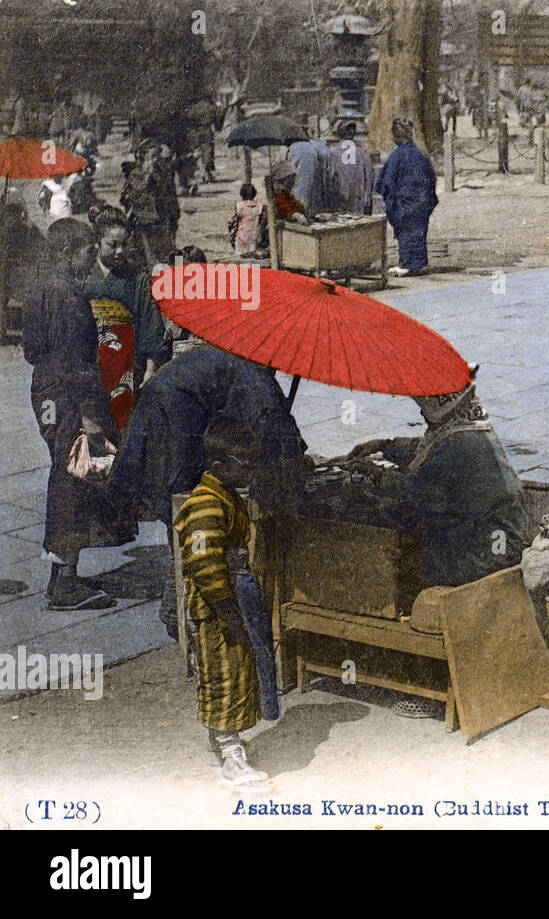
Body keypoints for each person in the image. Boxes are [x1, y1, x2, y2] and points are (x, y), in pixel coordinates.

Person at [112, 341, 306, 638]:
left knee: (188, 518)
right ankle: (178, 611)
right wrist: (294, 460)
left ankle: (178, 605)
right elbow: (271, 426)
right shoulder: (255, 378)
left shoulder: (243, 363)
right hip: (170, 428)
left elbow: (263, 425)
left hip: (168, 417)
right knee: (189, 514)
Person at [23, 219, 135, 611]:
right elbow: (79, 367)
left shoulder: (38, 288)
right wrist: (91, 417)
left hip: (45, 392)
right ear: (70, 252)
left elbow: (31, 351)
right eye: (88, 249)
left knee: (64, 474)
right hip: (72, 399)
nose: (92, 257)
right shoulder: (68, 297)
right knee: (79, 480)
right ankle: (66, 583)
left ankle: (61, 574)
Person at [341, 373, 530, 589]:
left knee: (413, 555)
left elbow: (414, 490)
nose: (422, 413)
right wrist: (384, 446)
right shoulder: (467, 426)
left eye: (424, 408)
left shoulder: (458, 442)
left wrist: (376, 474)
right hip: (502, 535)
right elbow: (427, 448)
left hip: (489, 550)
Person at [176, 418, 276, 789]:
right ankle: (229, 752)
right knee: (223, 675)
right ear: (220, 465)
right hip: (216, 606)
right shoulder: (204, 505)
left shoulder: (226, 496)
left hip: (234, 595)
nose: (249, 469)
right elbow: (204, 567)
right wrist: (231, 615)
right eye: (243, 463)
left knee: (239, 669)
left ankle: (227, 740)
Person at [85, 208, 171, 428]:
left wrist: (151, 367)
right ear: (97, 241)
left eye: (124, 244)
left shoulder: (137, 278)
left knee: (127, 428)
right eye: (112, 245)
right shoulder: (85, 277)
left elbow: (148, 321)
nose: (119, 251)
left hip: (129, 362)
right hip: (94, 362)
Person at [377, 117, 438, 277]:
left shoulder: (397, 156)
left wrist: (390, 202)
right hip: (422, 202)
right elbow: (432, 178)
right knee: (418, 232)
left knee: (405, 233)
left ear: (396, 137)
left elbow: (387, 183)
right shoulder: (421, 155)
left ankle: (407, 264)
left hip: (404, 204)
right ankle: (419, 262)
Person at [287, 134, 345, 214]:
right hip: (322, 201)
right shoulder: (322, 147)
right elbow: (333, 178)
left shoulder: (297, 149)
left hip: (301, 202)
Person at [332, 122, 376, 215]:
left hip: (340, 196)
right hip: (357, 196)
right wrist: (367, 194)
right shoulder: (361, 151)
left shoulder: (333, 151)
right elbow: (369, 174)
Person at [227, 183, 268, 258]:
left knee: (241, 260)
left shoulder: (239, 206)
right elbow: (263, 224)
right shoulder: (261, 206)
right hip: (254, 237)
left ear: (242, 194)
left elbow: (234, 221)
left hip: (241, 238)